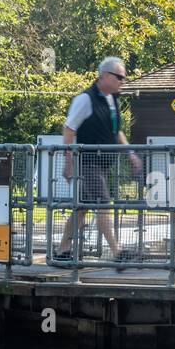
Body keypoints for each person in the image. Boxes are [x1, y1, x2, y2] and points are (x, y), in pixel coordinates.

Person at [49, 56, 142, 268]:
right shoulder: (85, 99)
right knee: (103, 204)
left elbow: (116, 131)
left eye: (123, 78)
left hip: (103, 164)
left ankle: (62, 251)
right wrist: (68, 162)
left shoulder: (112, 99)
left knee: (82, 208)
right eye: (119, 77)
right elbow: (69, 129)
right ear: (105, 76)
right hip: (89, 162)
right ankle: (118, 253)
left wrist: (131, 154)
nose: (122, 81)